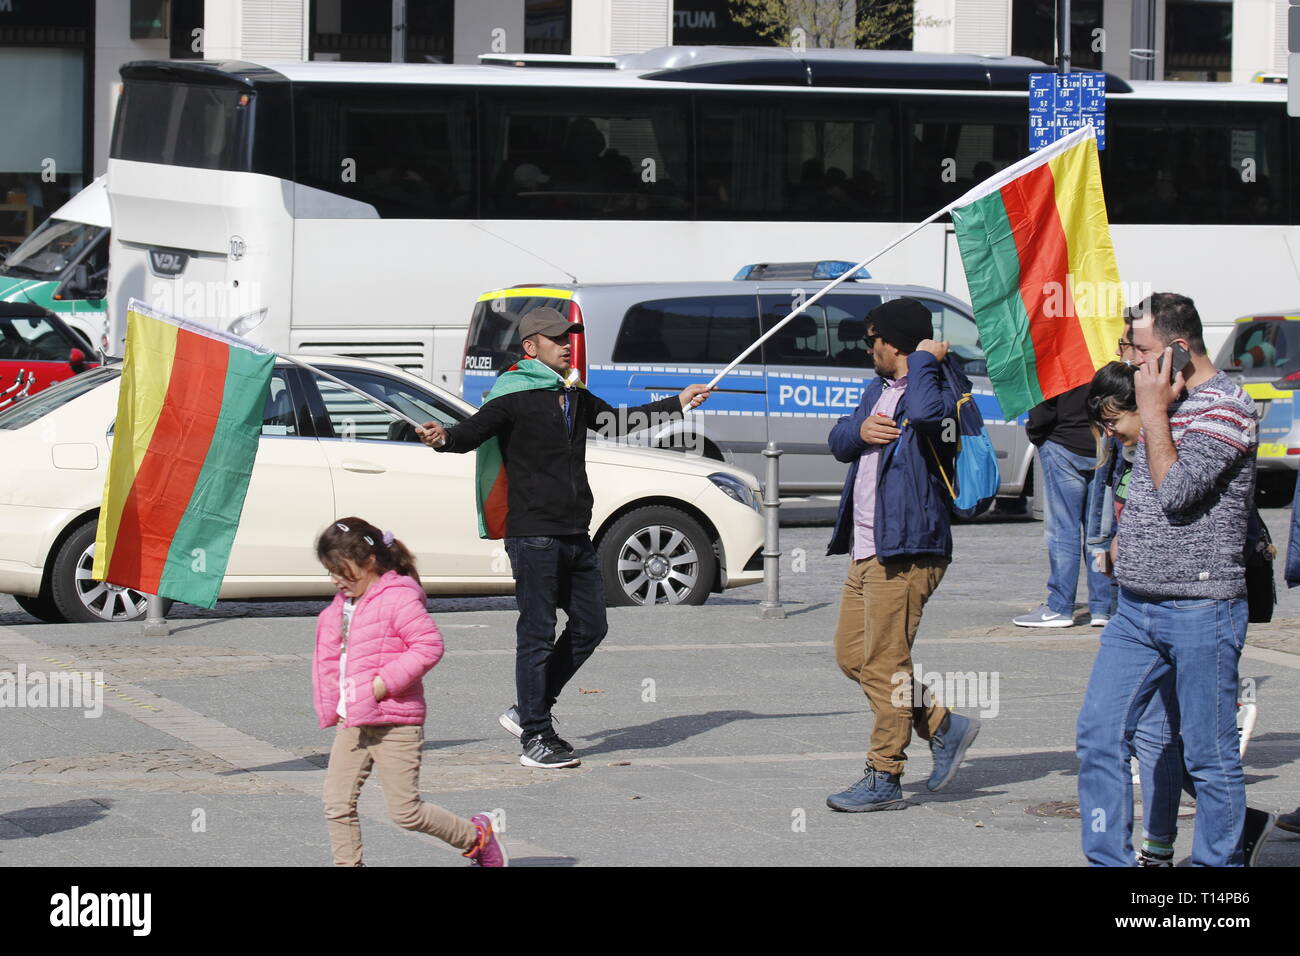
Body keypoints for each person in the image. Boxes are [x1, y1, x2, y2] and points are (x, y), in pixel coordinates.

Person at [416, 308, 712, 769]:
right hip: (533, 534)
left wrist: (677, 402)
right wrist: (442, 438)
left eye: (569, 337)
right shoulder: (512, 394)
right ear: (530, 347)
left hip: (575, 530)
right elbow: (470, 433)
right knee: (537, 631)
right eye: (556, 339)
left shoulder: (570, 392)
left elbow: (617, 422)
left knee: (592, 625)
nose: (566, 344)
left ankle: (526, 709)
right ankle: (535, 734)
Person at [1076, 293, 1259, 866]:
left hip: (1201, 607)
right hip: (1136, 607)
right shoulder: (1160, 395)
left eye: (1141, 349)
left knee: (1208, 755)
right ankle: (1110, 862)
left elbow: (1177, 493)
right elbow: (1139, 495)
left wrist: (1154, 414)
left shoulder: (1226, 409)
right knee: (1099, 736)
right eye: (1129, 348)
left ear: (1179, 350)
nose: (1131, 362)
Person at [824, 297, 981, 812]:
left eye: (872, 341)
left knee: (887, 664)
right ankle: (942, 724)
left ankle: (884, 774)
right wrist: (860, 430)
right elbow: (839, 438)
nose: (867, 349)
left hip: (911, 548)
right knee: (855, 658)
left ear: (892, 343)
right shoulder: (876, 388)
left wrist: (926, 363)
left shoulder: (938, 383)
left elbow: (926, 415)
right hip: (867, 547)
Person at [313, 517, 507, 867]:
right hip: (355, 719)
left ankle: (475, 837)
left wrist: (379, 685)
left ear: (369, 562)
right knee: (337, 804)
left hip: (395, 721)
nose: (334, 580)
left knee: (405, 812)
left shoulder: (398, 598)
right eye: (330, 571)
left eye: (341, 571)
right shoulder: (343, 604)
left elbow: (428, 645)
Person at [1014, 382, 1116, 627]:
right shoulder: (1103, 350)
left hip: (1063, 442)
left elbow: (1042, 403)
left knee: (1063, 531)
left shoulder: (1059, 352)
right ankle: (1104, 606)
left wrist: (1037, 434)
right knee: (1099, 532)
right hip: (1102, 442)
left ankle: (1060, 606)